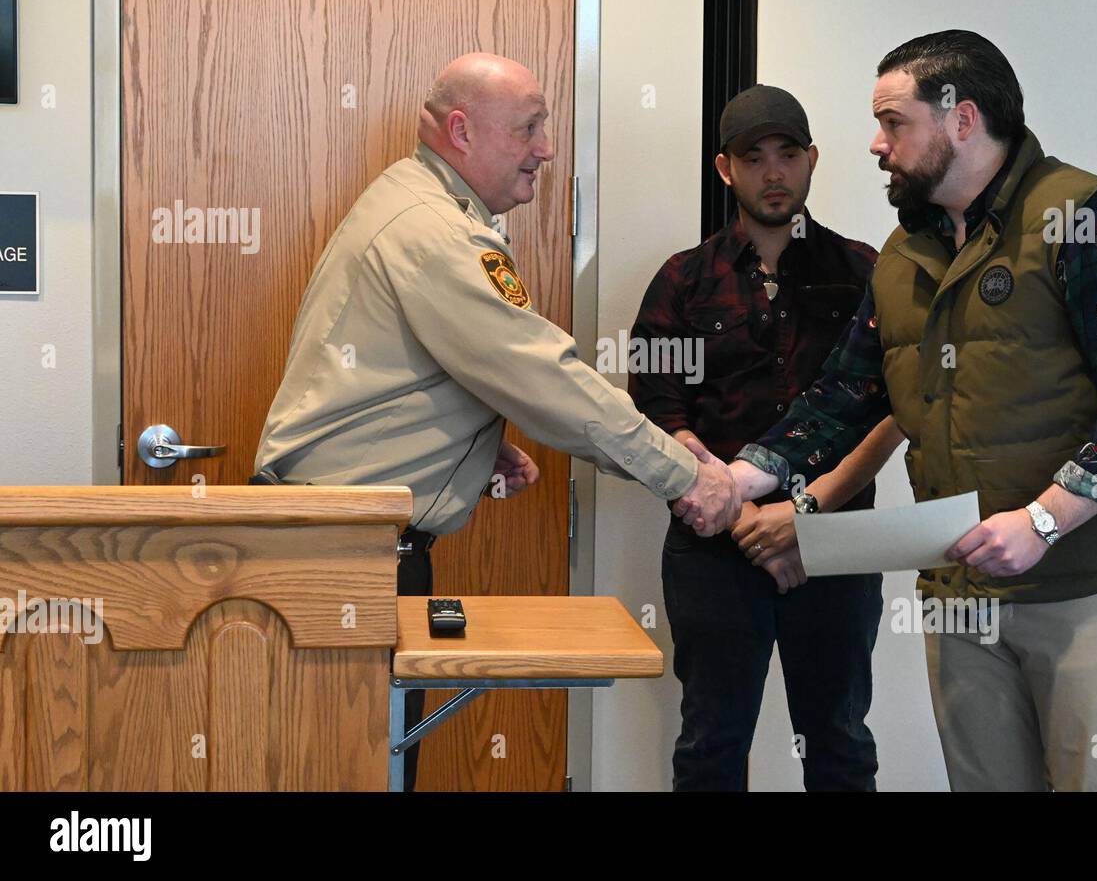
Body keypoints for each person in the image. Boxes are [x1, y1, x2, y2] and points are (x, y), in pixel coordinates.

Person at [708, 31, 1097, 791]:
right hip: (961, 598)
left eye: (893, 122)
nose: (876, 144)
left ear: (962, 119)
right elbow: (843, 394)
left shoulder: (1087, 216)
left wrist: (1042, 522)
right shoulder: (904, 255)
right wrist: (743, 476)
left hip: (1082, 591)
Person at [253, 52, 739, 789]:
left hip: (338, 544)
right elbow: (545, 377)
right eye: (530, 128)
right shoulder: (435, 230)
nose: (546, 148)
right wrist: (683, 476)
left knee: (357, 765)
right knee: (349, 770)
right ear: (461, 130)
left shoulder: (415, 202)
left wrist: (475, 437)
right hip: (343, 556)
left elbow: (425, 366)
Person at [631, 84, 905, 791]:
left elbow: (892, 407)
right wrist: (749, 519)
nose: (774, 172)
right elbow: (657, 416)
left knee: (840, 741)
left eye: (789, 154)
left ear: (814, 160)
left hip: (835, 541)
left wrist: (804, 519)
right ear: (726, 169)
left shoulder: (865, 272)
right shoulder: (682, 282)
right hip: (713, 550)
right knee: (711, 745)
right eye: (755, 158)